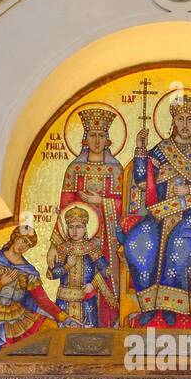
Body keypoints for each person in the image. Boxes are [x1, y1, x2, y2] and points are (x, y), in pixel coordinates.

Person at [122, 94, 191, 327]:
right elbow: (142, 179)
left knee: (180, 243)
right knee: (138, 242)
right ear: (173, 121)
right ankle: (150, 306)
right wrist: (140, 150)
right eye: (181, 119)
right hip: (162, 213)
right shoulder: (161, 150)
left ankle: (174, 307)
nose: (185, 125)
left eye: (190, 119)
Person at [0, 225, 72, 365]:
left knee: (50, 327)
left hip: (14, 318)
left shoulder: (28, 271)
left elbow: (42, 300)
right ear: (15, 237)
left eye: (28, 245)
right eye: (23, 240)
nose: (24, 246)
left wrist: (63, 317)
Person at [57, 106, 123, 326]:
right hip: (77, 234)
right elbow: (64, 206)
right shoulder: (74, 169)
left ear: (108, 140)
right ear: (85, 139)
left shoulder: (115, 170)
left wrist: (99, 201)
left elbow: (124, 206)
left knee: (106, 274)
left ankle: (109, 321)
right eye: (93, 136)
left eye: (101, 136)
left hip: (108, 236)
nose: (97, 141)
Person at [47, 204, 117, 326]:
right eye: (71, 227)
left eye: (78, 227)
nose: (74, 231)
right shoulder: (62, 249)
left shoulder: (91, 248)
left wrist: (93, 285)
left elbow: (106, 270)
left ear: (85, 228)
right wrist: (67, 266)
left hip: (86, 301)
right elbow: (52, 274)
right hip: (64, 301)